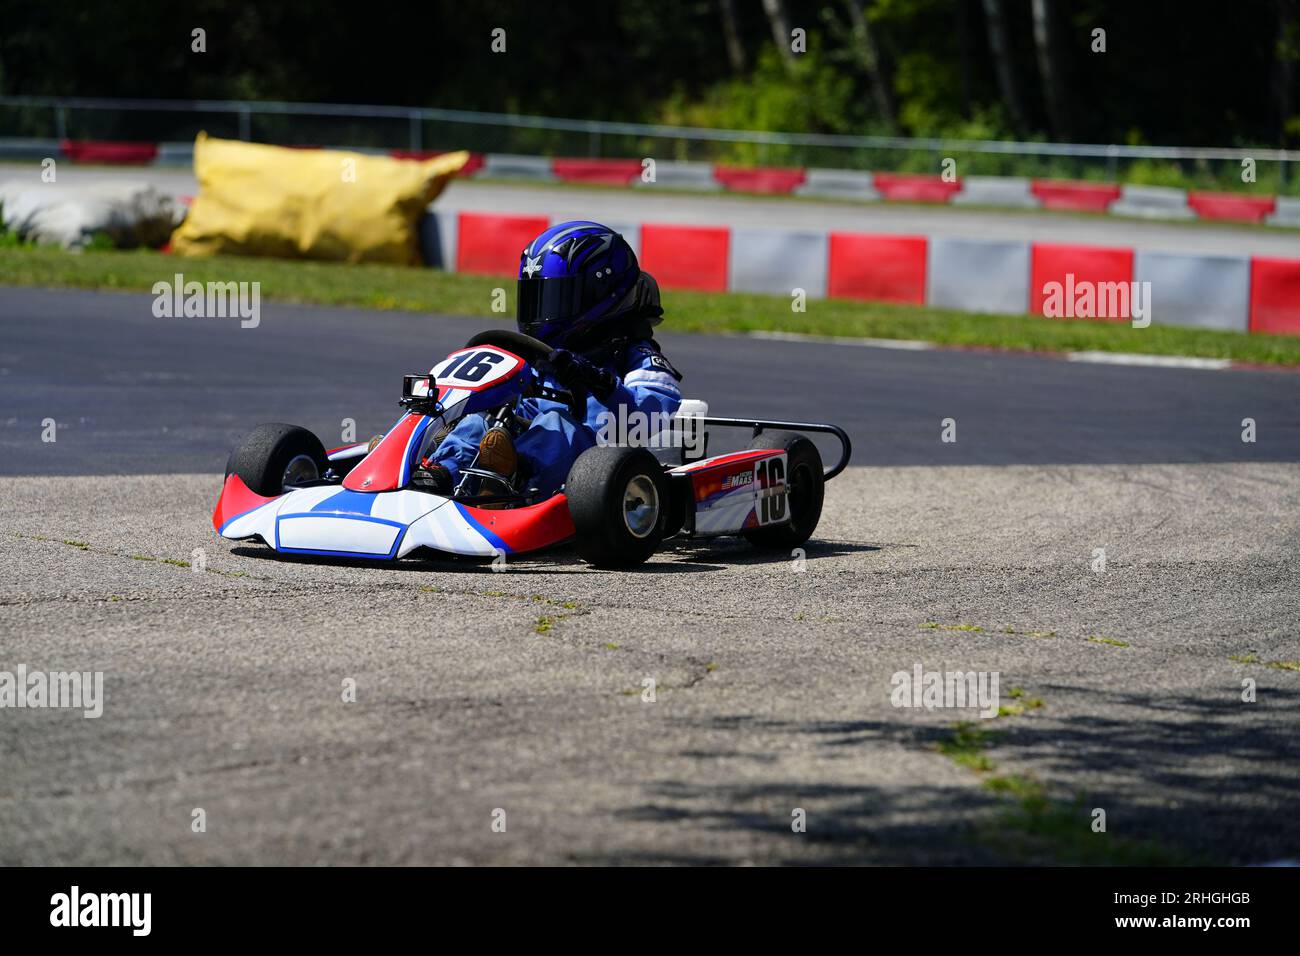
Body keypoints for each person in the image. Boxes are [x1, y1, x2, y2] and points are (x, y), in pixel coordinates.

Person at [414, 221, 682, 496]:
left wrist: (597, 381)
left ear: (599, 294)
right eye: (538, 298)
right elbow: (523, 407)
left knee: (557, 424)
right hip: (528, 438)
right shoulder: (548, 355)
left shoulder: (634, 354)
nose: (542, 310)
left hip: (599, 457)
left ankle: (510, 480)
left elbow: (650, 414)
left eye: (556, 297)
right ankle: (442, 471)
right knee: (479, 420)